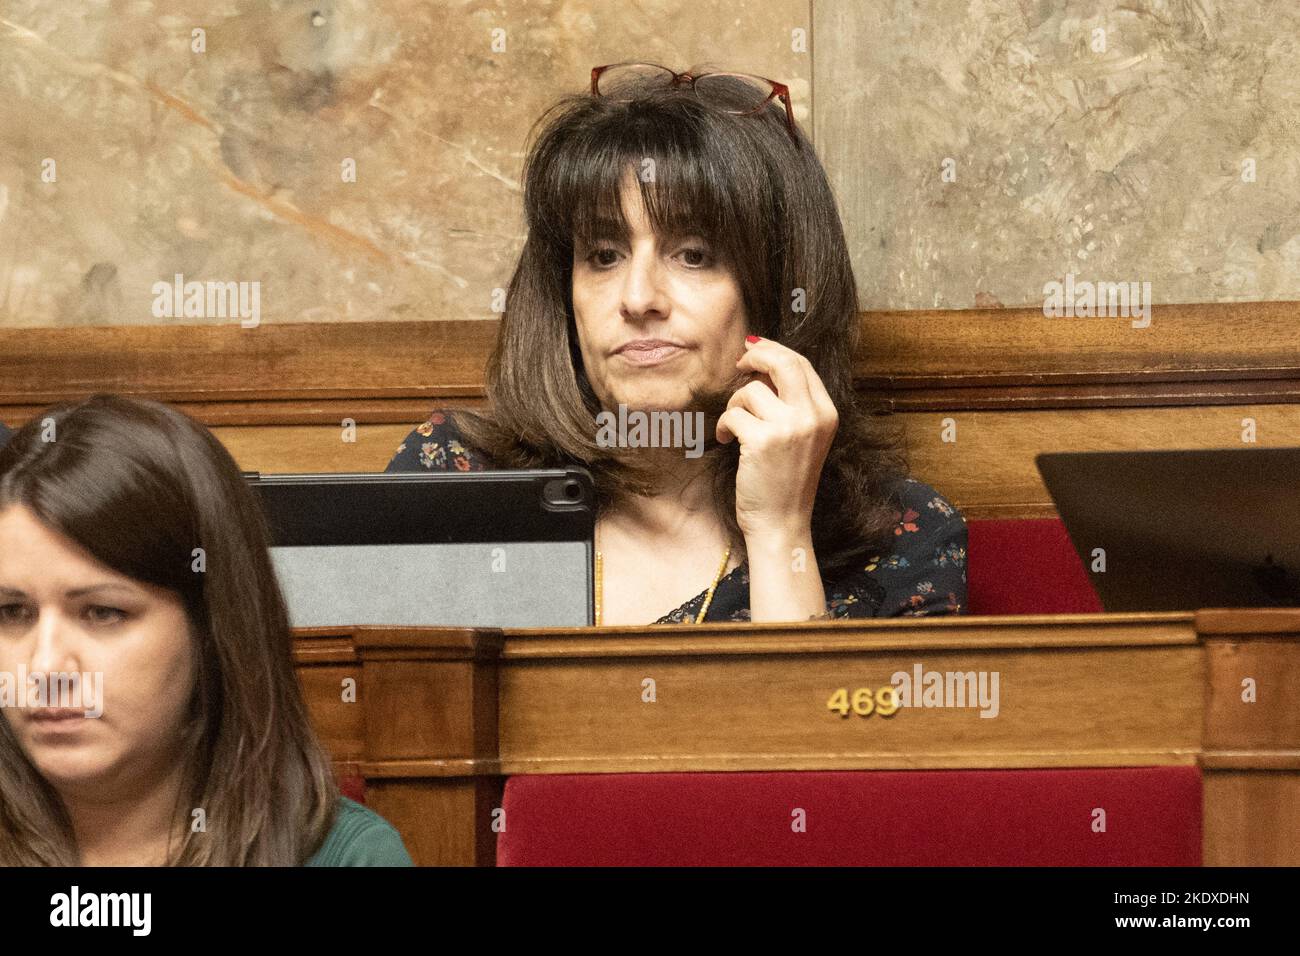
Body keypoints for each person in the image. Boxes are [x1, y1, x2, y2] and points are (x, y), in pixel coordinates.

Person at [386, 62, 967, 625]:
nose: (638, 298)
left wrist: (780, 532)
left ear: (779, 290)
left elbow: (814, 726)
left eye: (693, 255)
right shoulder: (454, 478)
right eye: (604, 255)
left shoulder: (900, 537)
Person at [0, 394, 412, 866]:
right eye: (12, 612)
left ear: (212, 628)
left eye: (103, 612)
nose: (46, 666)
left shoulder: (347, 858)